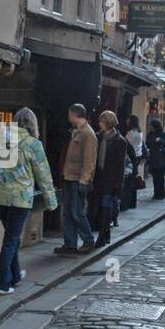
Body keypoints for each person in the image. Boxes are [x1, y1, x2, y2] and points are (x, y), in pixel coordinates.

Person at [0, 108, 58, 294]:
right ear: (33, 123)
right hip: (20, 199)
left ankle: (14, 275)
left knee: (12, 237)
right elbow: (44, 176)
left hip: (0, 197)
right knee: (10, 240)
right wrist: (51, 201)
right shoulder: (34, 145)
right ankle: (1, 284)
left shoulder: (2, 141)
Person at [55, 103, 97, 255]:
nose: (68, 117)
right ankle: (70, 243)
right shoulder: (76, 132)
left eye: (69, 114)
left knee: (76, 212)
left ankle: (88, 240)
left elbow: (89, 160)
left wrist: (84, 180)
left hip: (78, 179)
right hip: (69, 177)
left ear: (75, 115)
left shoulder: (88, 134)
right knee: (67, 213)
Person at [92, 111, 128, 247]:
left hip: (111, 179)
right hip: (98, 177)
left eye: (101, 121)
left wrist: (119, 185)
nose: (99, 123)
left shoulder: (120, 141)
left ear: (108, 122)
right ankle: (106, 232)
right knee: (98, 208)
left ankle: (102, 236)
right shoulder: (97, 137)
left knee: (106, 207)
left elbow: (120, 165)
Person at [120, 115, 143, 212]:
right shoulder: (139, 131)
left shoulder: (131, 133)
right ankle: (132, 202)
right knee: (132, 181)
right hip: (137, 156)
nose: (126, 120)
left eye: (128, 119)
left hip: (130, 157)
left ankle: (125, 204)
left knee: (128, 182)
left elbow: (126, 145)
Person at [145, 118, 165, 200]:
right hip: (153, 158)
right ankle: (156, 193)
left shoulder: (163, 134)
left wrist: (160, 141)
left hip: (161, 158)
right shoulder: (150, 134)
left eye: (151, 126)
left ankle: (161, 193)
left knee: (160, 177)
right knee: (155, 177)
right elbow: (148, 144)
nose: (150, 127)